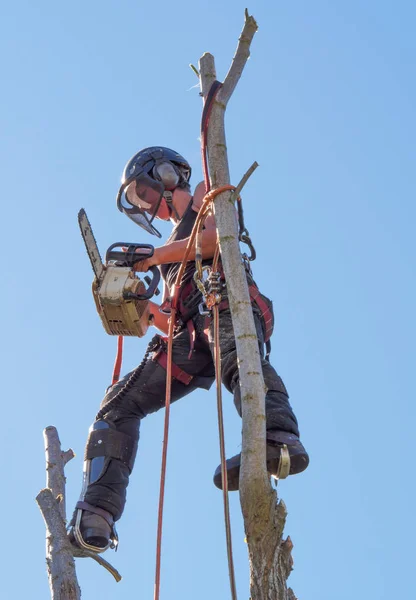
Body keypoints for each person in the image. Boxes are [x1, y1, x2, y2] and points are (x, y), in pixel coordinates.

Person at [69, 146, 309, 553]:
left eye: (143, 193)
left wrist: (154, 256)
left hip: (226, 302)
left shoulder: (205, 194)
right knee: (117, 407)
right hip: (192, 333)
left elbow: (218, 239)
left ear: (165, 176)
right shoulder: (169, 254)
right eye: (137, 203)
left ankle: (279, 437)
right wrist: (141, 308)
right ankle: (97, 514)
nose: (147, 206)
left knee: (235, 356)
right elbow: (173, 319)